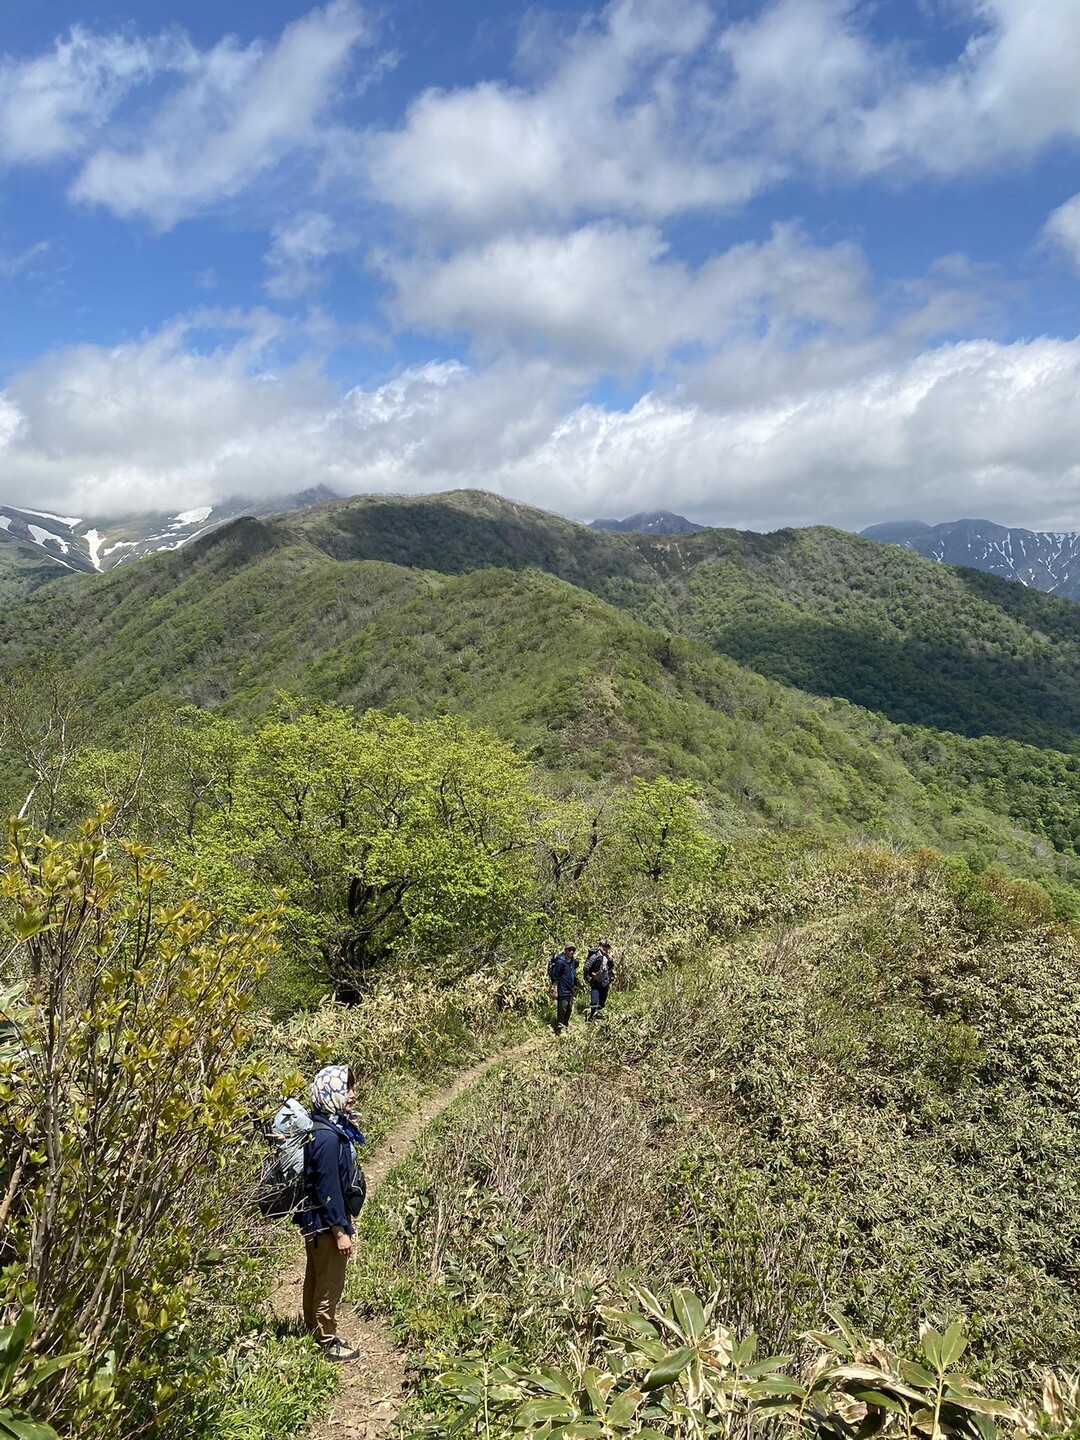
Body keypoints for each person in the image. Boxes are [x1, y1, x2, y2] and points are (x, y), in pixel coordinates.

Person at [293, 1063, 363, 1361]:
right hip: (325, 1222)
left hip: (314, 1219)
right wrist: (340, 1230)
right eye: (346, 1089)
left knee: (316, 1276)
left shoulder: (320, 1127)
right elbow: (328, 1187)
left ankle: (312, 1329)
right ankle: (326, 1340)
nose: (351, 1094)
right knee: (330, 1282)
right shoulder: (328, 1138)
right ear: (329, 1092)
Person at [548, 943, 578, 1032]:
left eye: (573, 950)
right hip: (562, 989)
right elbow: (556, 977)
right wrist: (555, 990)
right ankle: (561, 1028)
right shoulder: (560, 962)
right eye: (569, 949)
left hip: (570, 990)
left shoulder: (573, 961)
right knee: (562, 1009)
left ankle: (565, 1024)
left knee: (569, 1008)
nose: (571, 951)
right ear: (565, 950)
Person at [584, 939, 615, 1021]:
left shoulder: (608, 957)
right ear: (600, 946)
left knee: (602, 1002)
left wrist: (609, 974)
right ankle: (591, 1018)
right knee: (594, 1002)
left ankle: (598, 1017)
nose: (606, 949)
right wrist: (590, 977)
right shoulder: (594, 957)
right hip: (596, 983)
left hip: (605, 982)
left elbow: (612, 967)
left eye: (607, 947)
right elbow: (586, 968)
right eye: (604, 947)